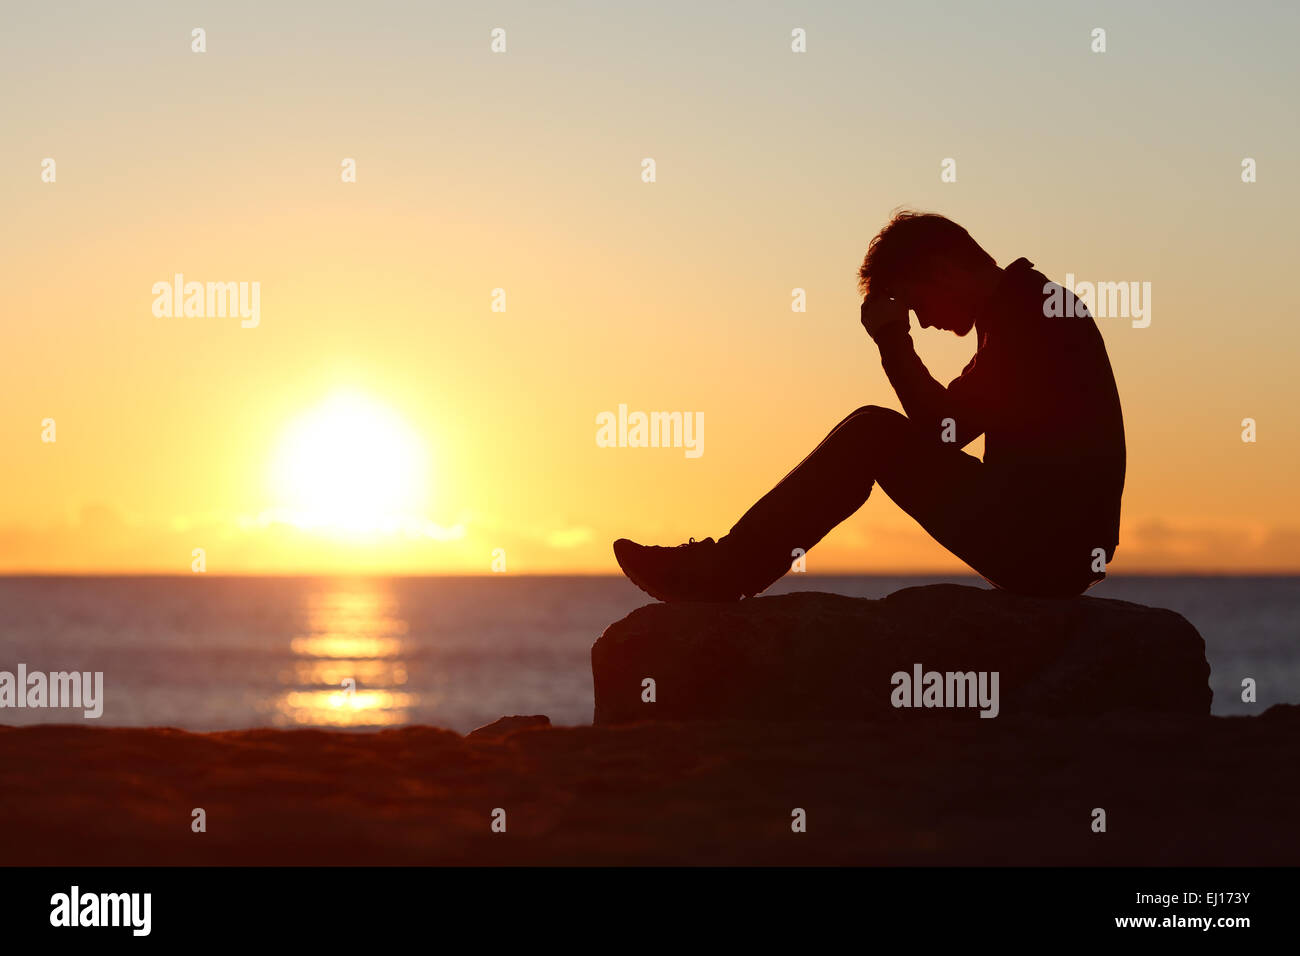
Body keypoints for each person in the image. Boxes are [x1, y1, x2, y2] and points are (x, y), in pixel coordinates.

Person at [613, 211, 1126, 601]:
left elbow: (944, 429)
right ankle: (723, 566)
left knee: (872, 435)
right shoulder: (1024, 308)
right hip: (1050, 543)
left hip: (1049, 550)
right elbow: (950, 424)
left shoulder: (1031, 315)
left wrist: (891, 341)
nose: (923, 323)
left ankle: (721, 572)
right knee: (872, 429)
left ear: (943, 269)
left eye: (916, 303)